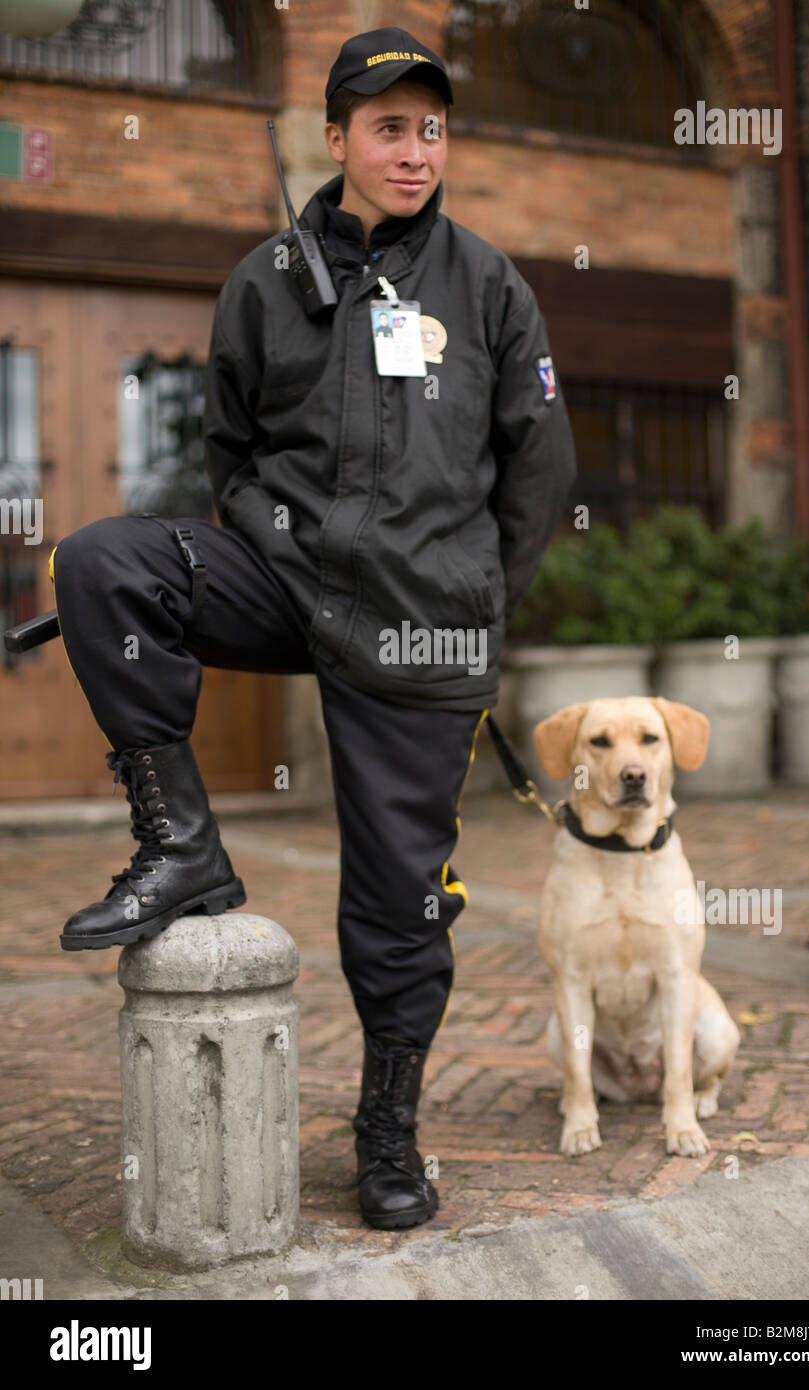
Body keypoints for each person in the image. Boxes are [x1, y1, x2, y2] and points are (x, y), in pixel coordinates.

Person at [49, 26, 577, 1230]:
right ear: (333, 136)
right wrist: (264, 534)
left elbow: (537, 472)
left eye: (430, 127)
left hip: (420, 625)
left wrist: (471, 600)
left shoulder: (490, 286)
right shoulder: (263, 283)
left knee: (397, 906)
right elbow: (230, 448)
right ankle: (182, 842)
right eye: (388, 126)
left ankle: (387, 1133)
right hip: (288, 583)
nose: (413, 149)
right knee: (104, 563)